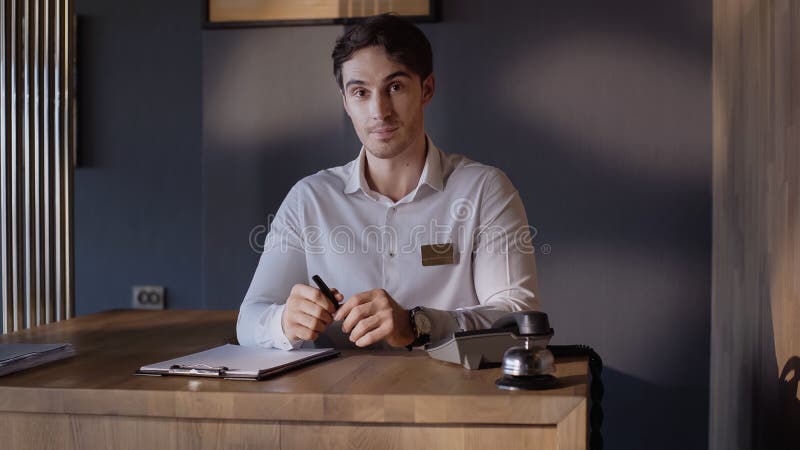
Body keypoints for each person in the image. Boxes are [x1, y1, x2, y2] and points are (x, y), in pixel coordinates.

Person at [236, 13, 539, 351]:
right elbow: (249, 321)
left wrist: (417, 324)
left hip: (454, 399)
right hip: (336, 399)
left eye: (394, 87)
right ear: (346, 103)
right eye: (361, 92)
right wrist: (284, 322)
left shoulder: (484, 190)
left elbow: (519, 320)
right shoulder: (309, 199)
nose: (379, 111)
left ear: (426, 89)